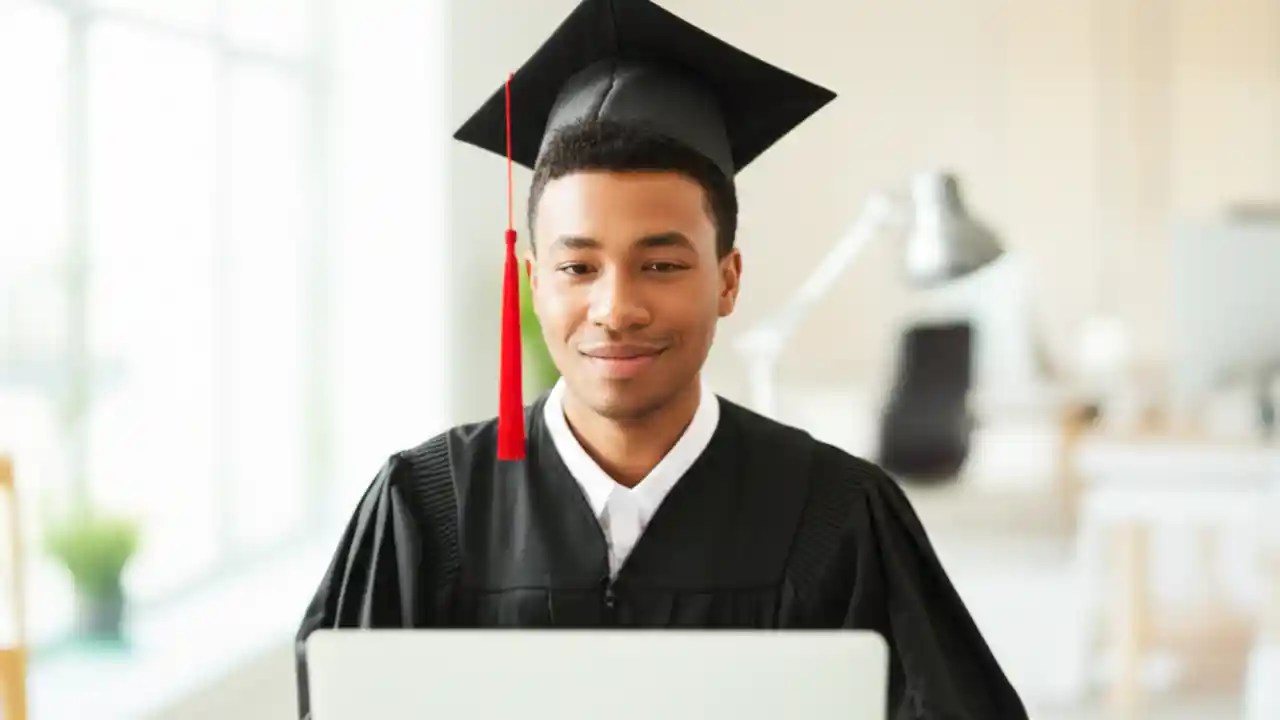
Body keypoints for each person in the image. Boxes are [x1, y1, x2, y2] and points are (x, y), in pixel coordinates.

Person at [296, 1, 1026, 718]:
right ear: (534, 284)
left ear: (729, 279)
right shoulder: (425, 512)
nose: (616, 309)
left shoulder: (838, 518)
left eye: (662, 266)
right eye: (578, 268)